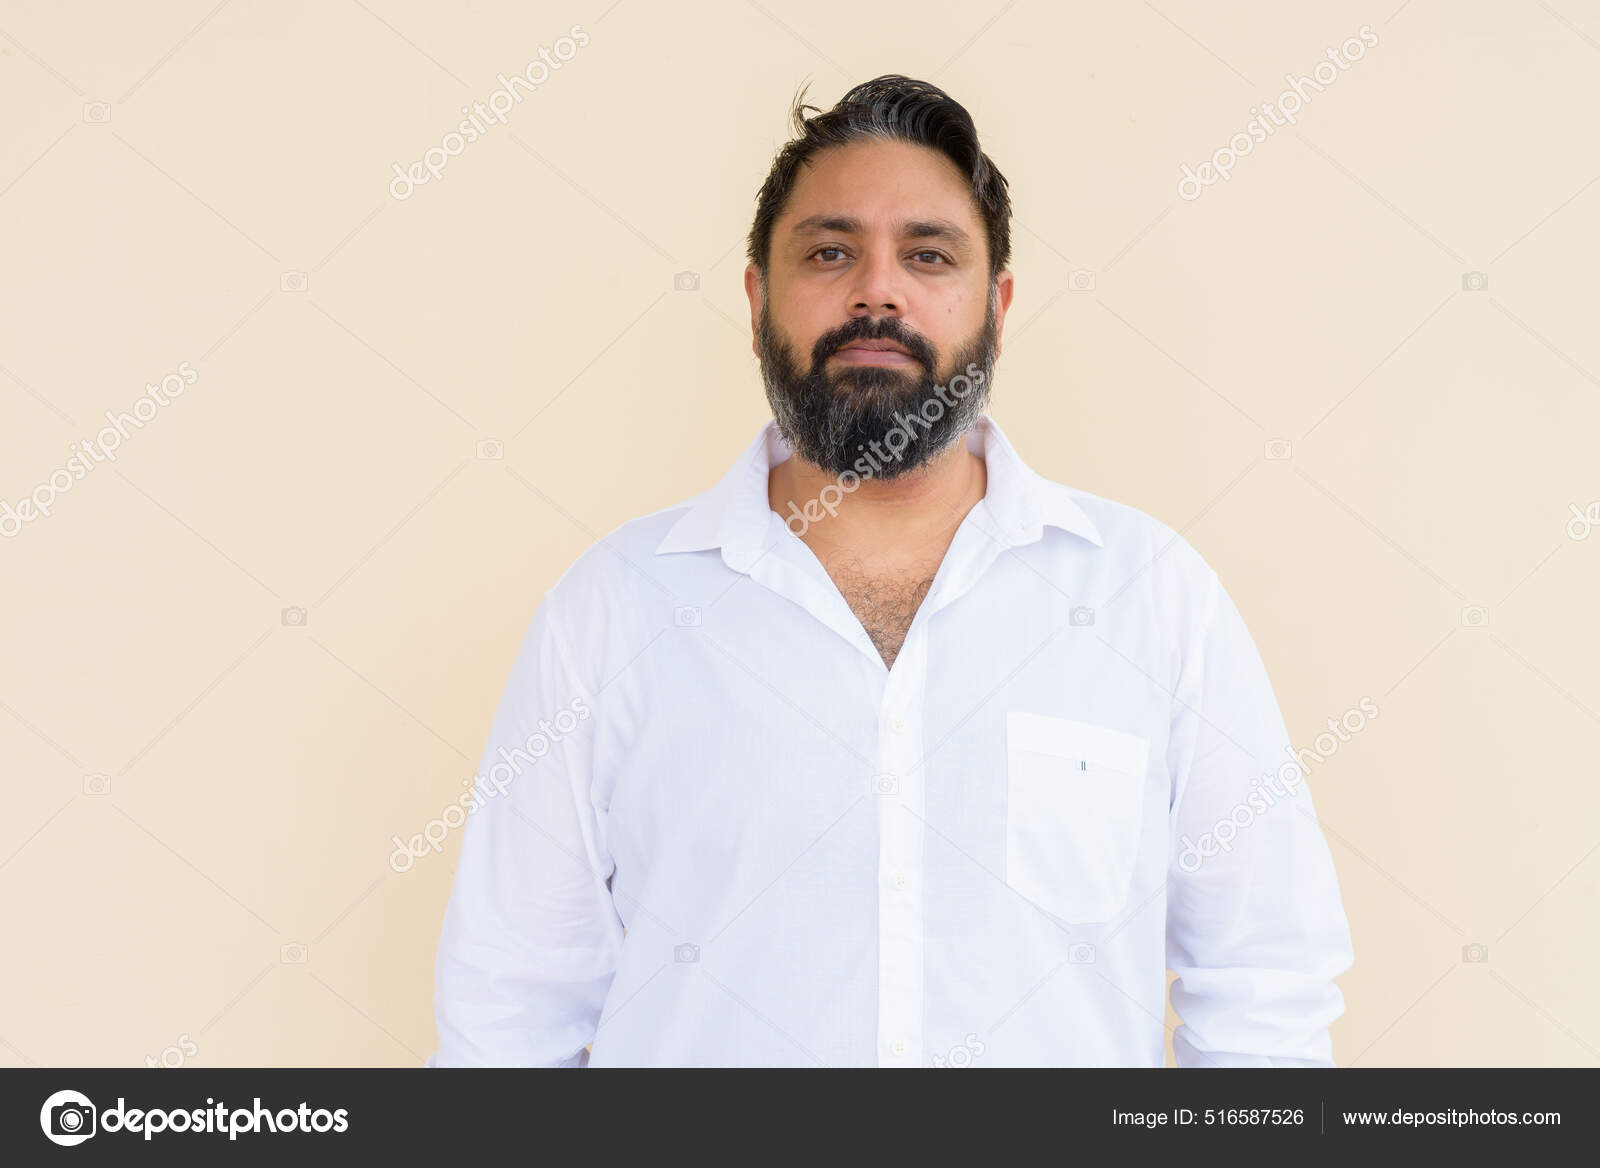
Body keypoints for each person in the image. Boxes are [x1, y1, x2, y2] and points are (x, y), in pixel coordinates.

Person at [427, 74, 1353, 1067]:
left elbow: (1264, 991)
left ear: (995, 303)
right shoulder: (612, 610)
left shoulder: (1151, 598)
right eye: (829, 252)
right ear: (756, 300)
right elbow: (510, 1015)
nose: (877, 289)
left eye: (928, 254)